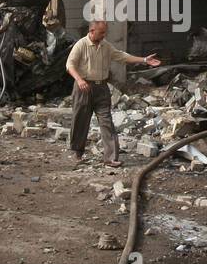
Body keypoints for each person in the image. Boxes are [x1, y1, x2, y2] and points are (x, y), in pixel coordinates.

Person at [65, 21, 160, 167]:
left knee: (106, 121)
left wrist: (144, 60)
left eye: (105, 32)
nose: (104, 35)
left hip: (101, 88)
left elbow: (122, 56)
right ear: (92, 31)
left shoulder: (106, 46)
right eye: (101, 32)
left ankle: (110, 158)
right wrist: (79, 79)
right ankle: (78, 153)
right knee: (80, 120)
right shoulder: (81, 45)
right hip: (83, 87)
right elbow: (69, 65)